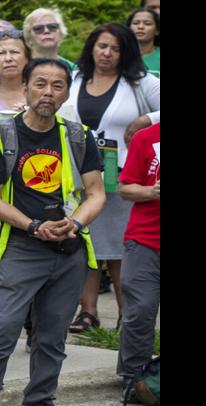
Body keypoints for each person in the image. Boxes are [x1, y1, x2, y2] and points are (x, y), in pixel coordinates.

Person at [0, 58, 103, 406]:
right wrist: (34, 226)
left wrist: (76, 222)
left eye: (56, 85)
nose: (47, 93)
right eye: (40, 84)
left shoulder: (78, 135)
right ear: (26, 89)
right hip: (22, 246)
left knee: (52, 333)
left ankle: (40, 403)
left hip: (68, 248)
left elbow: (96, 194)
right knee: (3, 328)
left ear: (67, 91)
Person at [61, 23, 158, 334]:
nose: (107, 53)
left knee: (118, 247)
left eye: (115, 48)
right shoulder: (75, 79)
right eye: (102, 45)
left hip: (124, 177)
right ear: (91, 46)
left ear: (126, 52)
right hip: (77, 175)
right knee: (84, 241)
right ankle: (87, 312)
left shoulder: (142, 83)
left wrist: (148, 119)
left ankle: (126, 313)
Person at [114, 117, 158, 399]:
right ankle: (134, 380)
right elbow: (125, 187)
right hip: (145, 241)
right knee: (140, 311)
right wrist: (151, 191)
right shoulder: (146, 138)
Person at [22, 8, 77, 76]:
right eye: (38, 28)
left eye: (52, 27)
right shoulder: (20, 67)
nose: (46, 31)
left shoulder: (74, 69)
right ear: (28, 36)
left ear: (61, 32)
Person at [129, 6, 160, 77]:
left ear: (157, 30)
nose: (140, 27)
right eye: (136, 23)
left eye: (147, 23)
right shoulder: (120, 55)